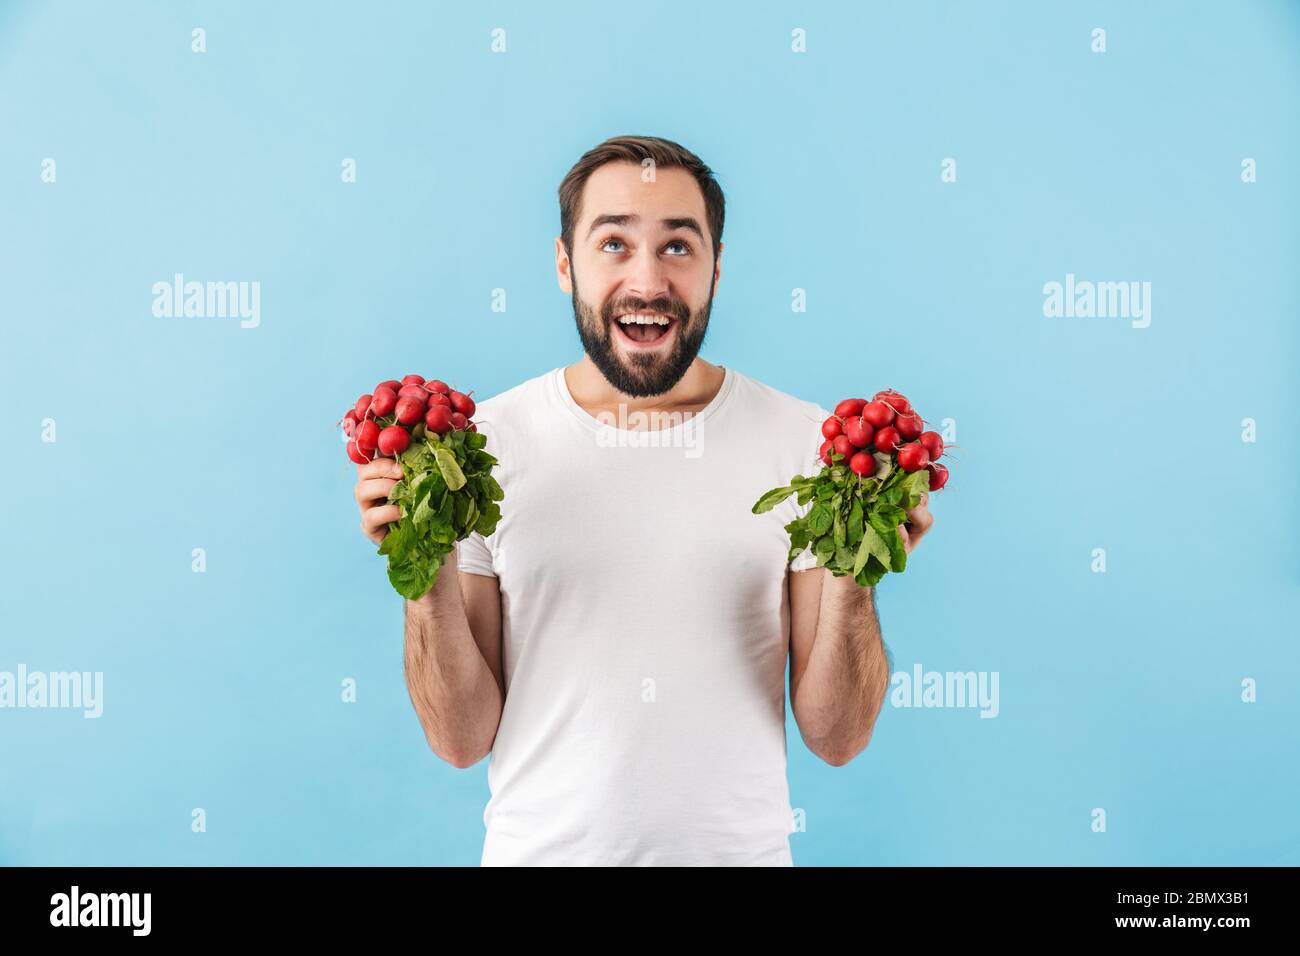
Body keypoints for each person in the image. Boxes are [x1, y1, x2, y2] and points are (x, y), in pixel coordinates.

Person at [352, 135, 935, 866]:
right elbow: (460, 741)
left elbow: (839, 737)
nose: (648, 280)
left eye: (679, 247)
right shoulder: (478, 454)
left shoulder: (808, 446)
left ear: (718, 269)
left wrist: (857, 566)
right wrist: (426, 570)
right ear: (565, 264)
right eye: (614, 243)